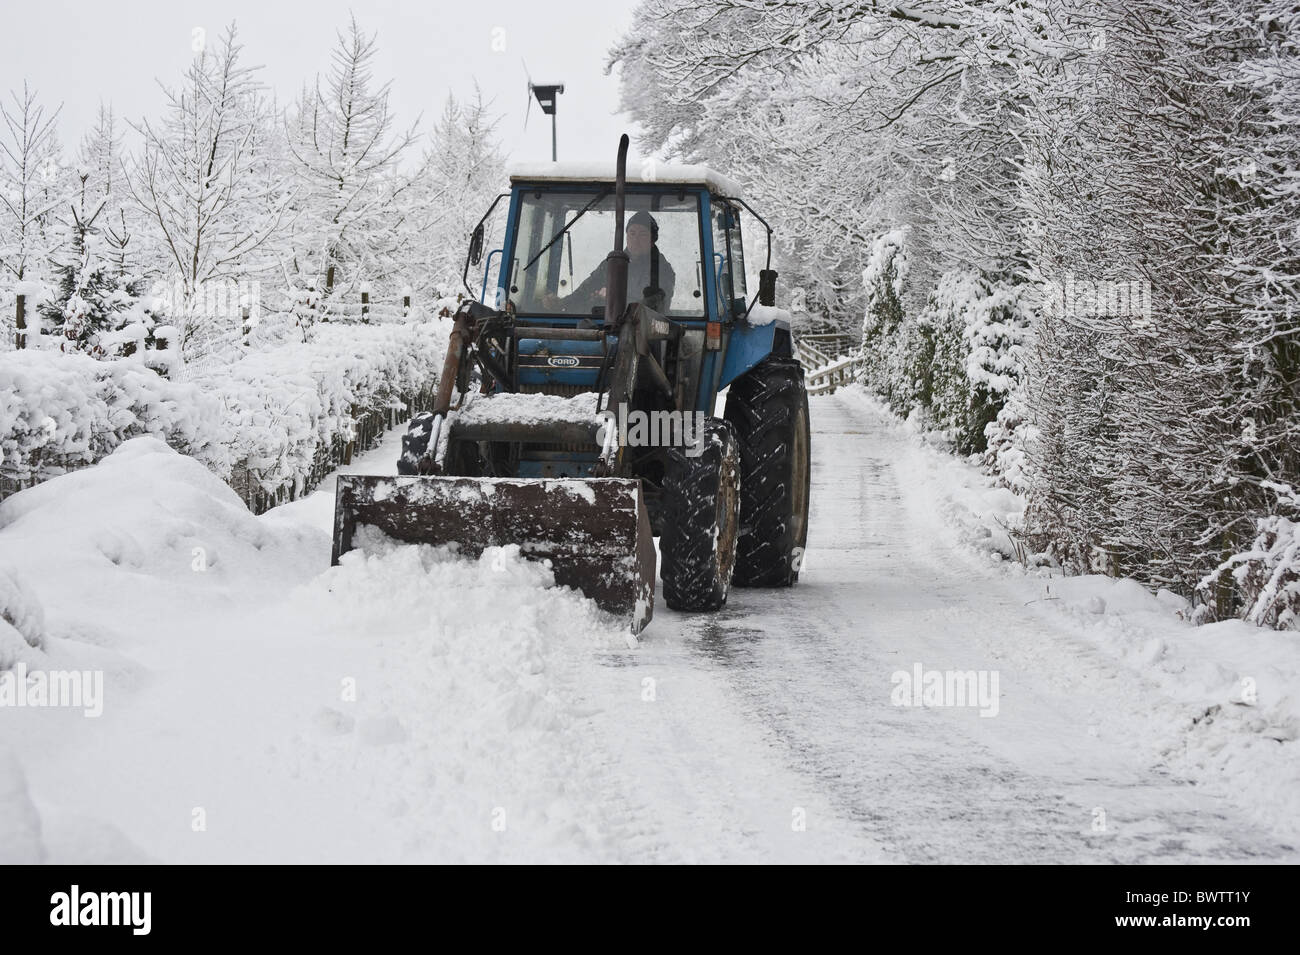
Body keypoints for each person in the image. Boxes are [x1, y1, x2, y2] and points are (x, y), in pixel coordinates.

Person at [544, 210, 675, 314]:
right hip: (607, 326)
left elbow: (654, 307)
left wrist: (613, 296)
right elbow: (587, 288)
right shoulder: (614, 262)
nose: (636, 239)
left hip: (645, 335)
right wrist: (562, 303)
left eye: (643, 234)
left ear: (652, 240)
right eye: (632, 233)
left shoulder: (662, 270)